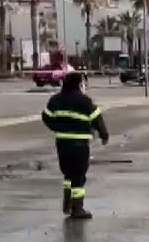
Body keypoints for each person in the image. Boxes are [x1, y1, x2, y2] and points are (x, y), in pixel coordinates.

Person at [41, 72, 109, 219]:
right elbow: (98, 120)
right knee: (79, 176)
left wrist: (57, 127)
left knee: (67, 173)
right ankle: (77, 208)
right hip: (80, 144)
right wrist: (104, 136)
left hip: (62, 143)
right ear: (78, 83)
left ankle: (67, 203)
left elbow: (45, 116)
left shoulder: (56, 100)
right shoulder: (85, 101)